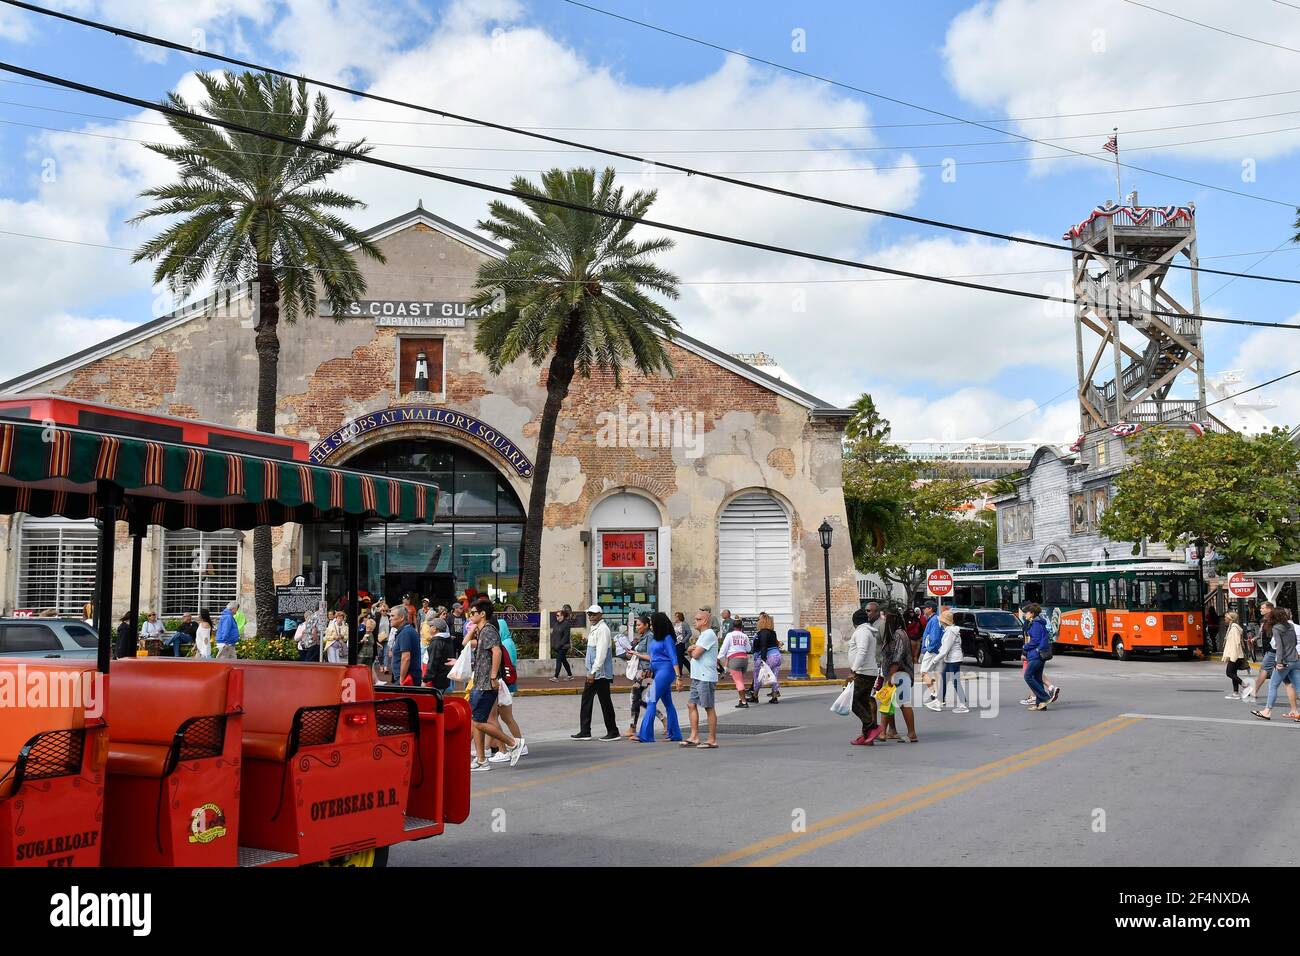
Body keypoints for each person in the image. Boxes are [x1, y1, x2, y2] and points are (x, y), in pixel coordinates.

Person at [466, 599, 522, 772]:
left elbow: (496, 651)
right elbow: (465, 643)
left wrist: (492, 677)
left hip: (486, 683)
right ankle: (482, 759)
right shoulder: (482, 630)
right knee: (477, 721)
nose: (470, 616)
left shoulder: (489, 631)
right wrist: (475, 628)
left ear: (482, 614)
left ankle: (513, 743)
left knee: (479, 722)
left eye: (473, 613)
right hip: (479, 682)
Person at [572, 605, 620, 741]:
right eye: (589, 614)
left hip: (600, 673)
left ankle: (612, 731)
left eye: (593, 614)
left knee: (604, 702)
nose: (591, 617)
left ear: (600, 615)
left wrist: (593, 671)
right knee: (588, 699)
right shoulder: (595, 629)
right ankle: (586, 731)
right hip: (594, 672)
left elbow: (601, 654)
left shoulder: (603, 630)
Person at [637, 612, 684, 743]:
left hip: (666, 670)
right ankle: (674, 734)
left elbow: (674, 658)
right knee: (668, 703)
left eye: (652, 622)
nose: (651, 625)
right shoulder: (656, 638)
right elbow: (653, 657)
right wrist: (649, 670)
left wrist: (678, 677)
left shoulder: (667, 638)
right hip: (657, 670)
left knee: (650, 699)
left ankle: (645, 735)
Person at [488, 618, 526, 763]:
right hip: (508, 685)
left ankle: (510, 746)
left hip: (505, 685)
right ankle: (491, 747)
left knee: (499, 718)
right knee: (496, 718)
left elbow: (505, 667)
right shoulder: (508, 642)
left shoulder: (503, 644)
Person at [1253, 607, 1300, 721]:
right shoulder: (1291, 626)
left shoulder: (1276, 628)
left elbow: (1278, 647)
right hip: (1295, 660)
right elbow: (1294, 642)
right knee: (1298, 687)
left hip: (1284, 662)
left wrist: (1279, 662)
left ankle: (1267, 711)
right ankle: (1295, 712)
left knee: (1273, 685)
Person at [683, 607, 720, 749]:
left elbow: (695, 654)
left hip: (706, 677)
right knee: (691, 704)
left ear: (705, 621)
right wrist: (691, 649)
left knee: (708, 707)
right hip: (697, 676)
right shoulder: (703, 636)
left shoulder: (709, 634)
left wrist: (693, 649)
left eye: (698, 619)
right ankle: (694, 737)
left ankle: (712, 739)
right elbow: (691, 650)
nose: (695, 621)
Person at [879, 609, 918, 743]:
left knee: (903, 703)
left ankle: (911, 733)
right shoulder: (897, 634)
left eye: (886, 619)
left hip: (899, 674)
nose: (884, 621)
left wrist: (890, 676)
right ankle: (891, 730)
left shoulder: (898, 634)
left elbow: (897, 657)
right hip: (896, 674)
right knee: (888, 702)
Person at [925, 609, 969, 714]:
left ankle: (962, 705)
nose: (939, 622)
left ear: (944, 621)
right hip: (952, 659)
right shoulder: (950, 631)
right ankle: (939, 702)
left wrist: (934, 660)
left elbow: (945, 649)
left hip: (953, 660)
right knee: (944, 680)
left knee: (955, 681)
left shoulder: (950, 632)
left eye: (941, 620)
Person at [847, 607, 880, 745]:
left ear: (856, 622)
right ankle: (867, 736)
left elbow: (862, 651)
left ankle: (871, 727)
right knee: (864, 703)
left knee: (853, 702)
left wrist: (854, 670)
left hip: (863, 672)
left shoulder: (861, 632)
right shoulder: (867, 631)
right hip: (868, 671)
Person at [1022, 603, 1052, 711]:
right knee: (1037, 678)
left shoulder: (1035, 624)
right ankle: (1041, 704)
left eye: (1027, 612)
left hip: (1036, 655)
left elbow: (1035, 641)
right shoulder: (1037, 623)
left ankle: (1045, 697)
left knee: (1028, 676)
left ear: (1032, 613)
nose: (1025, 614)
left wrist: (1025, 646)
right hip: (1038, 654)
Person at [1244, 602, 1276, 702]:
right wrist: (1255, 638)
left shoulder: (1274, 621)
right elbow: (1262, 633)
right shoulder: (1263, 620)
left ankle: (1254, 692)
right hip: (1267, 650)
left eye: (1263, 608)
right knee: (1287, 676)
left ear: (1269, 609)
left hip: (1273, 650)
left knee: (1263, 670)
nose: (1260, 609)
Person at [750, 612, 782, 704]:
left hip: (768, 656)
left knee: (757, 676)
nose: (757, 621)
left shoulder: (763, 632)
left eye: (759, 620)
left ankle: (755, 696)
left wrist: (763, 659)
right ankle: (774, 696)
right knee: (774, 677)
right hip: (777, 656)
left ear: (762, 622)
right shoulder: (773, 633)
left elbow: (763, 646)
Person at [719, 619, 752, 708]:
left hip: (734, 659)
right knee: (740, 679)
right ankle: (741, 700)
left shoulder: (730, 635)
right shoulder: (745, 636)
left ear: (733, 626)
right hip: (744, 659)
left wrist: (718, 658)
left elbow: (724, 648)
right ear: (741, 627)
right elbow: (748, 649)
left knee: (738, 681)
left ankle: (744, 702)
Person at [389, 604, 423, 686]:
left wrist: (401, 679)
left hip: (407, 680)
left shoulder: (405, 633)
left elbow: (406, 657)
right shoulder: (407, 631)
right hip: (409, 678)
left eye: (392, 616)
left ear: (402, 618)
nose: (390, 618)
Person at [918, 604, 944, 702]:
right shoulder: (934, 619)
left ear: (930, 609)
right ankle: (938, 693)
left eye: (925, 608)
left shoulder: (933, 620)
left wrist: (929, 649)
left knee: (923, 671)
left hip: (932, 650)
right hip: (935, 649)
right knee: (936, 672)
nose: (923, 609)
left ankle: (934, 692)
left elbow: (934, 636)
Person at [1222, 611, 1249, 699]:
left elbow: (1235, 643)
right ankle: (1235, 693)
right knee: (1233, 673)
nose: (1224, 619)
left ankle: (1245, 685)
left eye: (1226, 617)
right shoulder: (1232, 628)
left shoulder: (1233, 629)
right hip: (1235, 654)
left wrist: (1232, 656)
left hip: (1235, 654)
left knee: (1229, 673)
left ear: (1230, 619)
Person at [423, 617, 454, 691]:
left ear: (434, 629)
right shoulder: (448, 640)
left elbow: (433, 662)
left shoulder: (436, 642)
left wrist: (426, 680)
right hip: (445, 678)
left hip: (436, 681)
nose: (429, 628)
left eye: (430, 626)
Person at [551, 604, 575, 681]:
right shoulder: (556, 624)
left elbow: (566, 636)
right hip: (557, 646)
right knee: (564, 660)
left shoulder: (566, 624)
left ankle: (555, 677)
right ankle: (570, 675)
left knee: (559, 660)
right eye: (556, 616)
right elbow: (554, 635)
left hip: (563, 646)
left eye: (558, 615)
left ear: (562, 616)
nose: (557, 617)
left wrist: (559, 645)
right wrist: (553, 644)